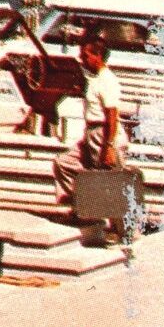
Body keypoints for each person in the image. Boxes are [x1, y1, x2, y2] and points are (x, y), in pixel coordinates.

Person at [54, 35, 125, 238]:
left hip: (104, 133)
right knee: (64, 163)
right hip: (91, 133)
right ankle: (85, 208)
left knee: (111, 181)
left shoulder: (107, 80)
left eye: (85, 55)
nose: (81, 59)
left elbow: (112, 114)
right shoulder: (93, 78)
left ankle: (123, 231)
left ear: (98, 56)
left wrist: (109, 146)